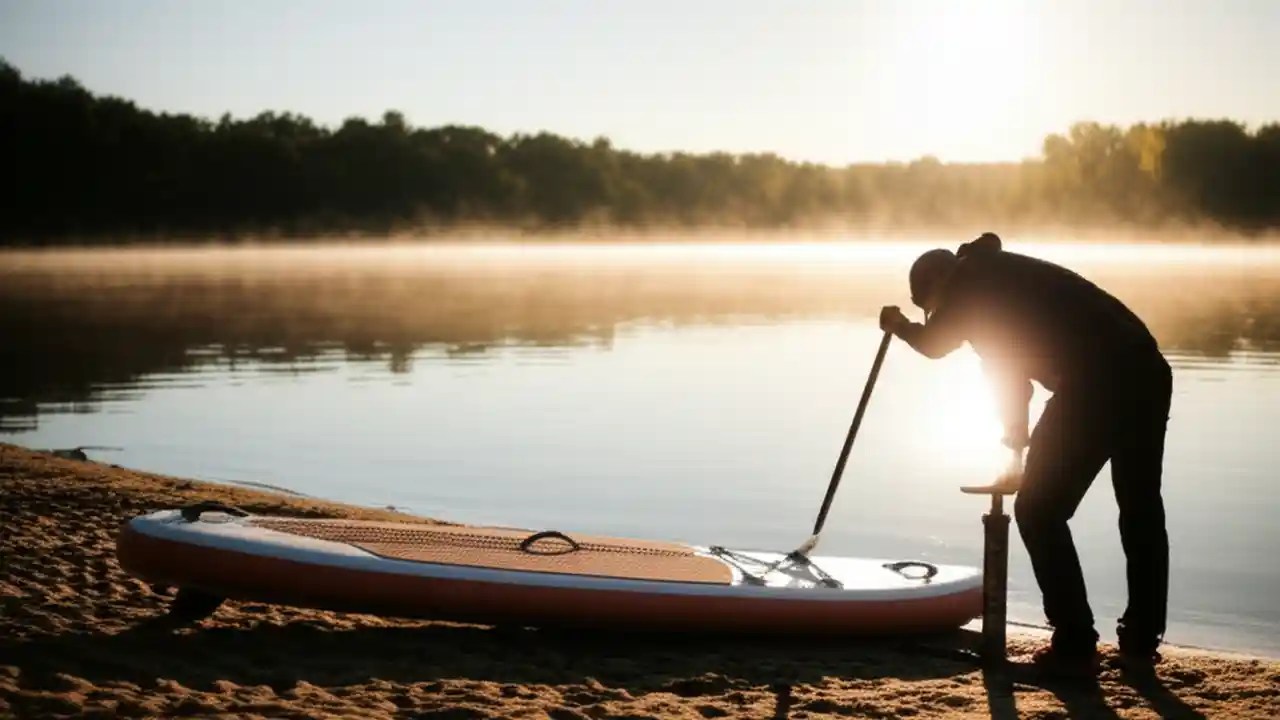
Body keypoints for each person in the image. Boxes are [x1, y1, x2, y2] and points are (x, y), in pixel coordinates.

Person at [878, 232, 1173, 675]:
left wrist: (900, 326)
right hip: (1147, 370)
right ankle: (1139, 644)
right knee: (1140, 509)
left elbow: (936, 344)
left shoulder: (968, 282)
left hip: (1097, 380)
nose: (937, 316)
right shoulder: (998, 275)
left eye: (932, 307)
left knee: (1038, 511)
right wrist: (1014, 451)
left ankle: (1075, 644)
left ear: (938, 282)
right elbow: (1011, 378)